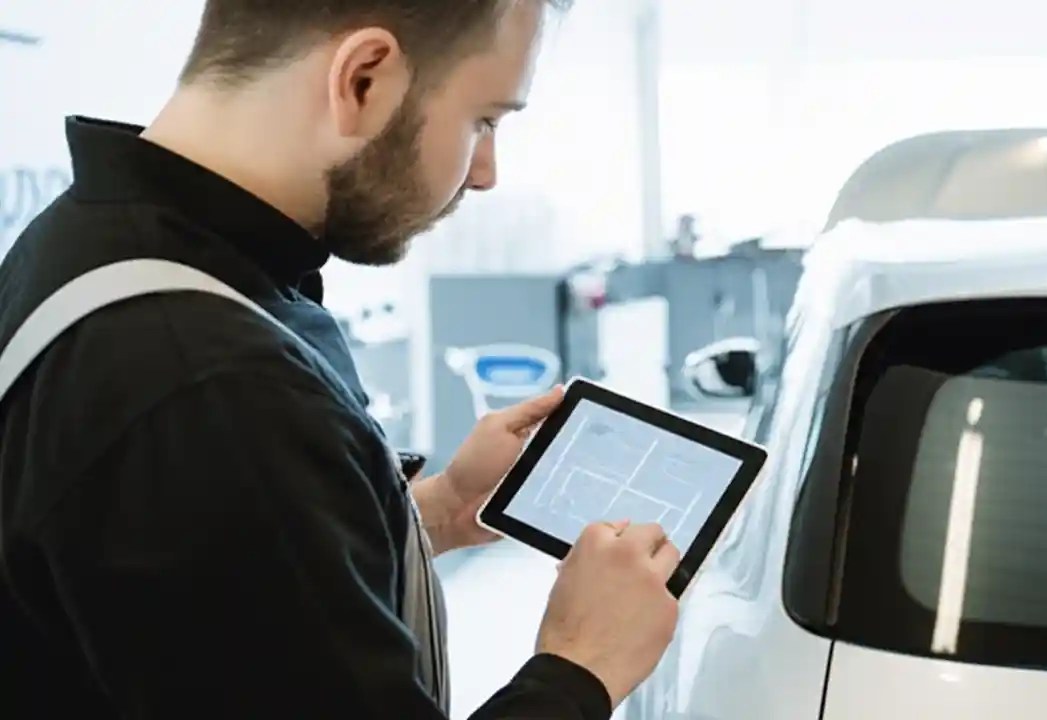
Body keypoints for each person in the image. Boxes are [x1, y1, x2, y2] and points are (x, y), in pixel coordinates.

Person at [0, 1, 679, 718]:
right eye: (484, 120)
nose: (485, 174)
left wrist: (438, 510)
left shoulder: (96, 241)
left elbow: (218, 604)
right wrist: (580, 664)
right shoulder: (212, 383)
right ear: (363, 78)